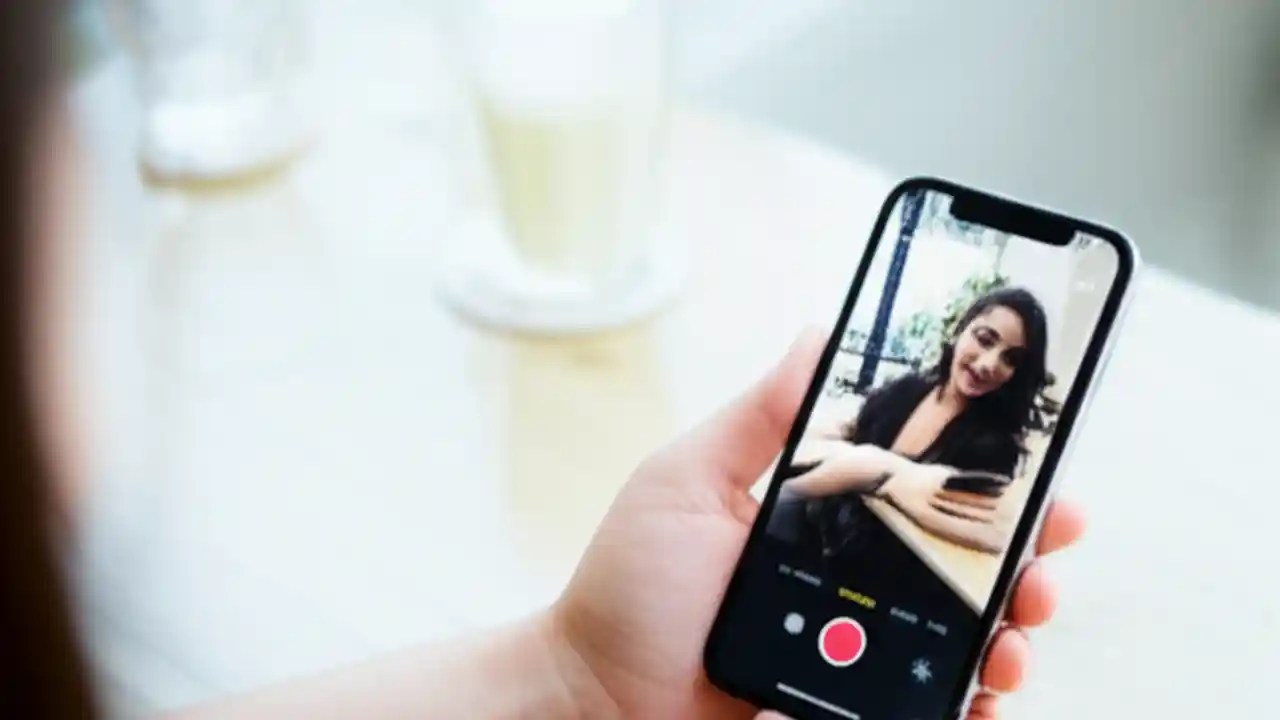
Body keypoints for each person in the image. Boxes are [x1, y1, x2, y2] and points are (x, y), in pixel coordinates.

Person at [0, 2, 1083, 718]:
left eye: (1009, 354)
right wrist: (891, 475)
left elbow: (955, 514)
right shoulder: (897, 391)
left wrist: (575, 675)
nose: (987, 360)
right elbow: (819, 470)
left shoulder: (989, 442)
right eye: (981, 334)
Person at [769, 288, 1053, 556]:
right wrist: (879, 470)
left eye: (1010, 359)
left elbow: (992, 537)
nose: (988, 364)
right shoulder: (908, 389)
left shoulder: (995, 448)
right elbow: (848, 433)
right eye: (985, 339)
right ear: (960, 330)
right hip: (819, 531)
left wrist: (880, 473)